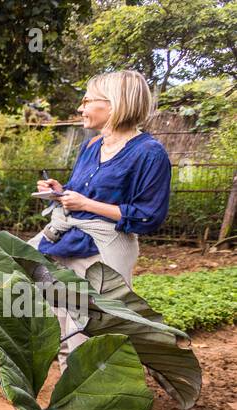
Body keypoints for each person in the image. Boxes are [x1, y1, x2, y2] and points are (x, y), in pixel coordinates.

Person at [32, 69, 171, 366]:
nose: (80, 108)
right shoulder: (91, 145)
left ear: (114, 103)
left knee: (88, 332)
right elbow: (82, 192)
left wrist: (87, 204)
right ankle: (69, 402)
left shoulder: (149, 152)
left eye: (87, 100)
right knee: (60, 329)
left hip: (104, 251)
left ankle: (94, 402)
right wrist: (61, 191)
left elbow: (149, 216)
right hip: (69, 243)